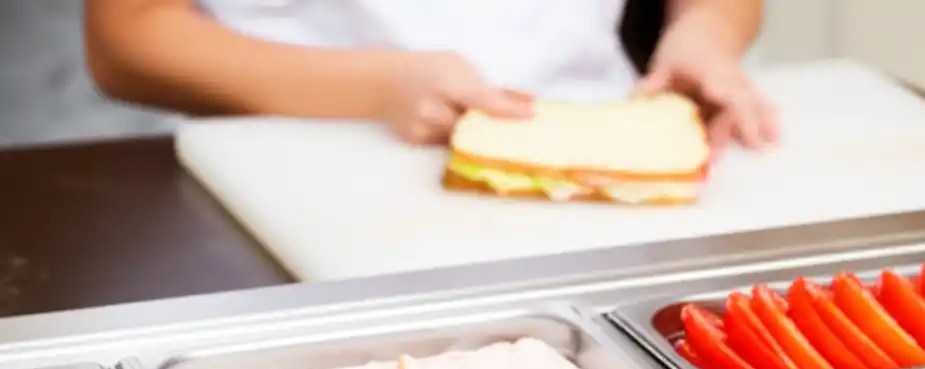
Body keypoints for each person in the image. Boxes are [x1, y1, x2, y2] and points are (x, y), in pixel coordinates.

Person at [84, 0, 779, 151]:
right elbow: (129, 39)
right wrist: (376, 88)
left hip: (598, 131)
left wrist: (706, 32)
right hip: (297, 157)